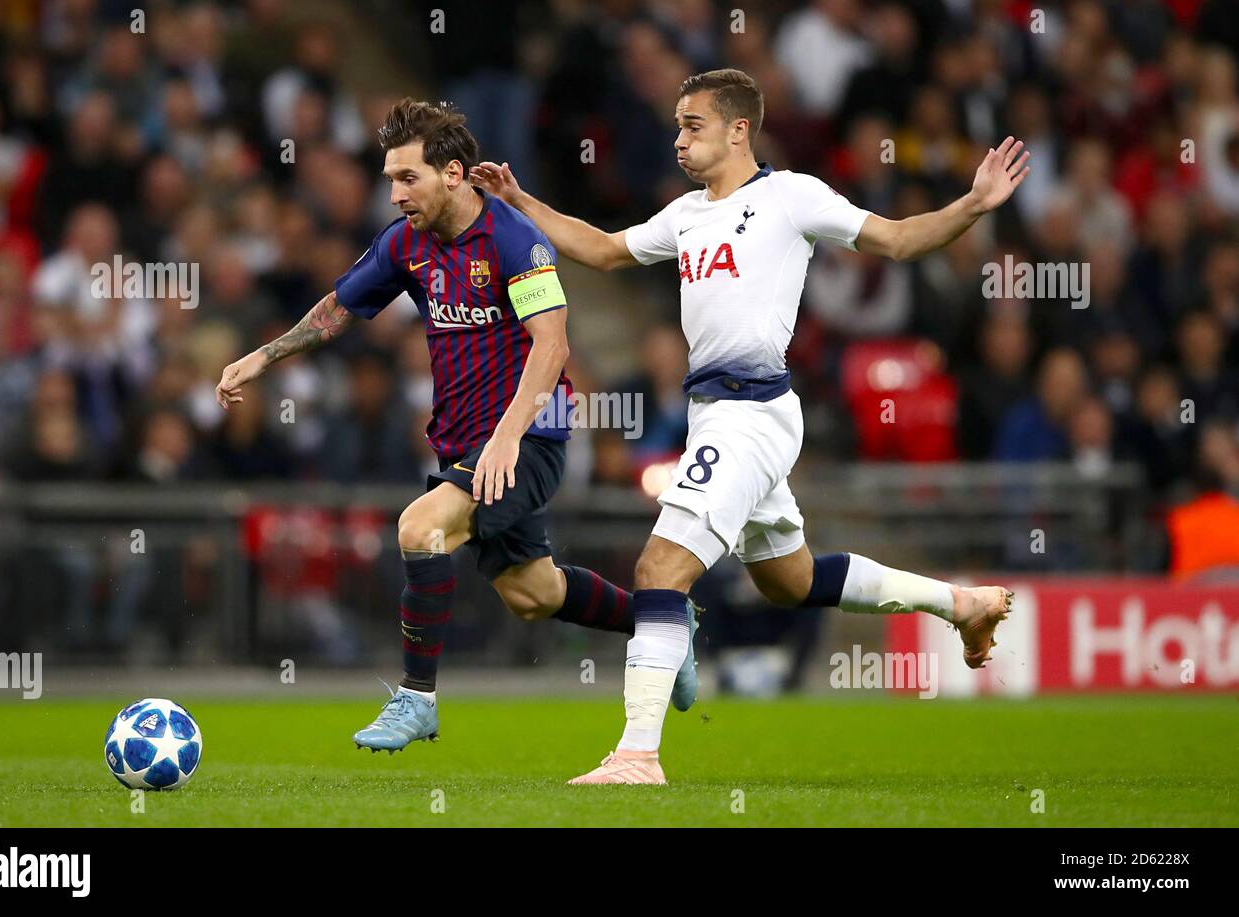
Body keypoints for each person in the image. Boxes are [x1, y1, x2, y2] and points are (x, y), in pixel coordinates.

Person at [471, 69, 1021, 785]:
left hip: (750, 413)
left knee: (659, 569)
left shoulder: (790, 196)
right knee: (788, 580)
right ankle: (962, 603)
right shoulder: (686, 214)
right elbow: (602, 249)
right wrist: (520, 202)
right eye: (675, 125)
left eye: (692, 125)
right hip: (718, 414)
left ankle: (638, 754)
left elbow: (898, 241)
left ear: (738, 129)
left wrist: (974, 204)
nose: (678, 139)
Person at [216, 99, 697, 754]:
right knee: (534, 591)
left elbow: (552, 346)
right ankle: (668, 621)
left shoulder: (512, 239)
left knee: (419, 527)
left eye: (406, 178)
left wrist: (507, 437)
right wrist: (262, 355)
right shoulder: (404, 243)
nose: (394, 194)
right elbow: (340, 307)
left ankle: (416, 698)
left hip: (531, 434)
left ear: (452, 174)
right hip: (468, 439)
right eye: (389, 178)